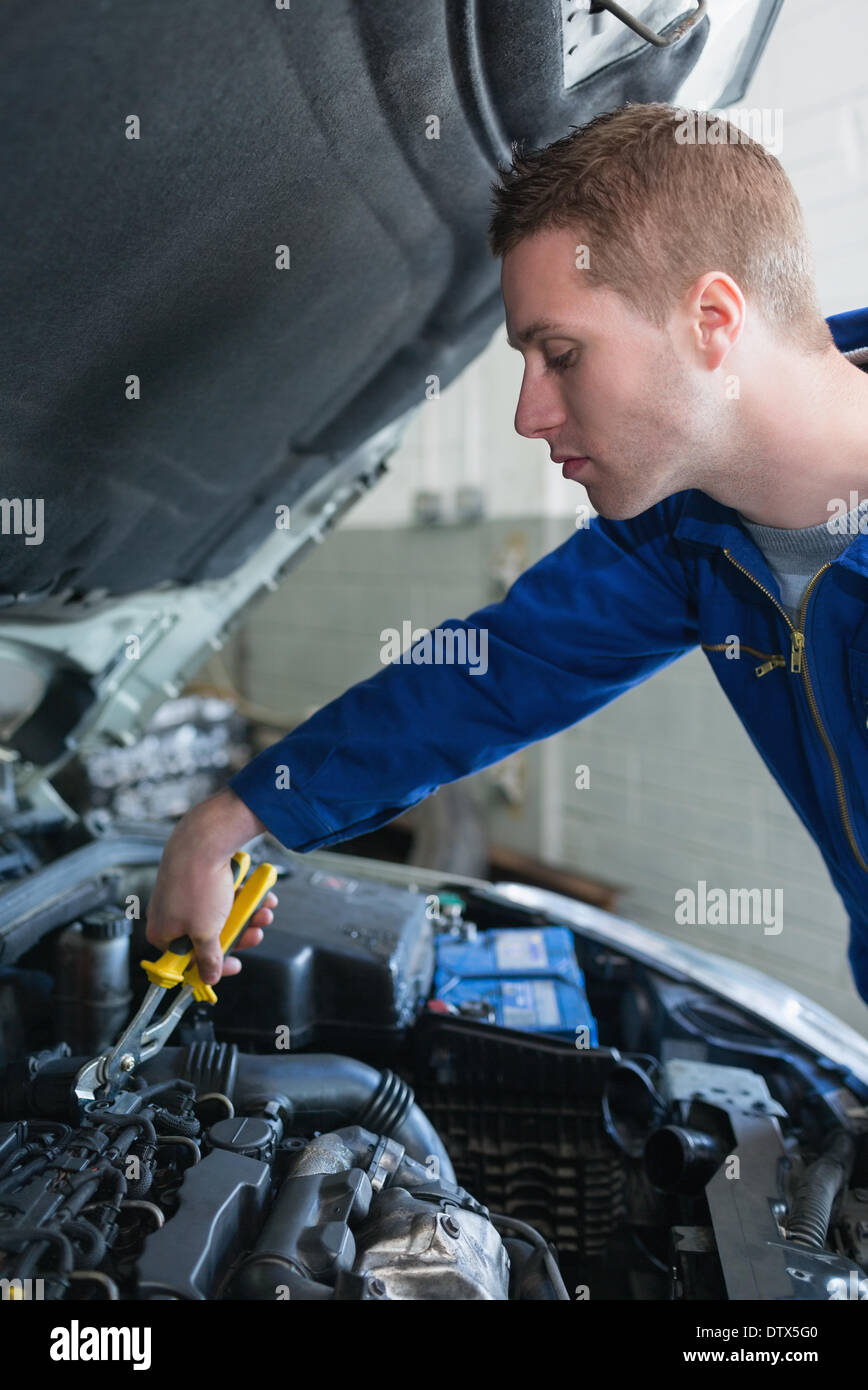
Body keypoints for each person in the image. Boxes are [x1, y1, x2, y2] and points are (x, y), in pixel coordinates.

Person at [145, 101, 868, 1008]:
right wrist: (230, 820)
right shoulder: (689, 532)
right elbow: (487, 674)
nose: (530, 415)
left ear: (712, 321)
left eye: (560, 354)